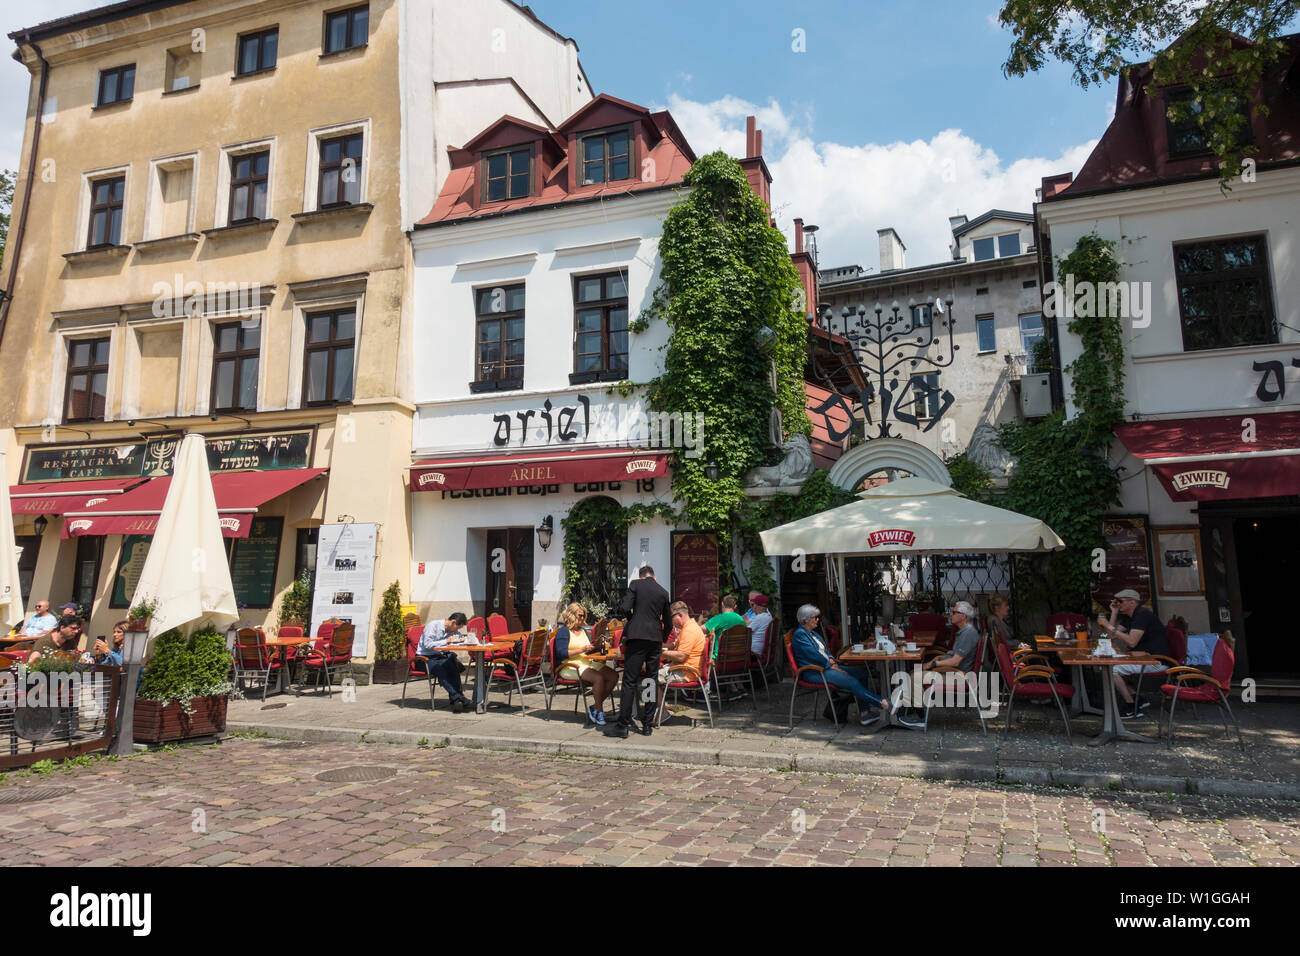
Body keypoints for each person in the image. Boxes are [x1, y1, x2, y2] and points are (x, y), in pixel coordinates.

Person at [790, 604, 888, 724]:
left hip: (825, 667)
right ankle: (883, 703)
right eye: (814, 617)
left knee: (861, 673)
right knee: (851, 681)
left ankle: (865, 713)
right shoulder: (800, 634)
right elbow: (812, 655)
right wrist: (831, 665)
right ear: (806, 620)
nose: (817, 619)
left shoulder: (814, 634)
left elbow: (826, 651)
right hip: (814, 672)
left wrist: (831, 660)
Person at [605, 565, 671, 739]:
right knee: (650, 679)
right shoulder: (663, 592)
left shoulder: (635, 584)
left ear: (641, 577)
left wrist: (633, 619)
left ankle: (623, 725)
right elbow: (669, 622)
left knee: (629, 681)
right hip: (655, 639)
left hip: (637, 637)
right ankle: (647, 724)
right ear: (654, 577)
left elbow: (625, 606)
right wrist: (661, 636)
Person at [1097, 588, 1168, 717]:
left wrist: (1107, 625)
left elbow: (1131, 642)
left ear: (1132, 602)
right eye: (1116, 601)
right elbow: (1110, 636)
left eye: (1120, 601)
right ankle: (1137, 699)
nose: (1117, 603)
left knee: (1112, 670)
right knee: (1108, 667)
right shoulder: (1131, 617)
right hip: (1143, 657)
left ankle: (1131, 706)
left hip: (1155, 660)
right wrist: (1114, 613)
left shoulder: (1142, 615)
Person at [554, 602, 619, 727]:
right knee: (598, 678)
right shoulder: (563, 632)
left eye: (584, 616)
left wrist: (598, 645)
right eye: (580, 615)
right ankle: (599, 711)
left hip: (586, 663)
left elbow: (588, 650)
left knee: (613, 676)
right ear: (572, 615)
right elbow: (561, 653)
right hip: (570, 666)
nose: (582, 618)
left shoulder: (583, 631)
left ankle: (594, 706)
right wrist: (582, 650)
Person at [415, 612, 475, 712]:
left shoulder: (451, 630)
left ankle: (456, 700)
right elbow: (427, 644)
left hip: (438, 656)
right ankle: (458, 698)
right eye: (457, 628)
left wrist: (465, 639)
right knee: (441, 670)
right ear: (453, 622)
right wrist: (446, 641)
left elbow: (458, 637)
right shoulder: (433, 626)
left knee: (454, 666)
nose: (457, 631)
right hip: (424, 658)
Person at [657, 602, 710, 712]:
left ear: (680, 615)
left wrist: (658, 652)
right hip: (685, 669)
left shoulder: (689, 630)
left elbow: (681, 656)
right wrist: (659, 646)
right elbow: (675, 645)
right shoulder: (688, 627)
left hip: (687, 672)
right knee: (652, 674)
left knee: (650, 677)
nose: (670, 621)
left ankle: (659, 713)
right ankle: (656, 711)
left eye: (671, 618)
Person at [926, 602, 980, 673]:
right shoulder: (965, 631)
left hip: (957, 675)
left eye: (954, 612)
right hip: (951, 670)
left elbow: (955, 662)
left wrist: (934, 664)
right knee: (917, 670)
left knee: (914, 676)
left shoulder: (968, 633)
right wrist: (940, 658)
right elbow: (955, 656)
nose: (951, 614)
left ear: (963, 616)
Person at [704, 595, 747, 659]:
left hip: (721, 660)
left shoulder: (719, 618)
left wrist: (699, 620)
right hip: (740, 658)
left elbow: (702, 630)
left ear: (722, 604)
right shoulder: (741, 620)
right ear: (735, 606)